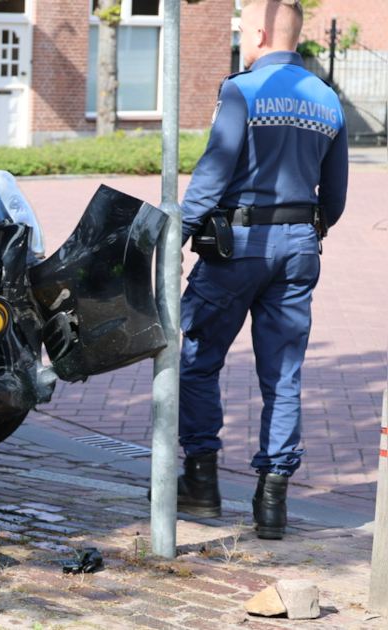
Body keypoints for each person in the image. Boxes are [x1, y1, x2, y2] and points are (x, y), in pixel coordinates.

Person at [175, 0, 347, 540]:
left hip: (237, 246)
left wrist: (177, 229)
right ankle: (272, 502)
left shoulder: (241, 89)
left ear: (260, 32)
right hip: (299, 248)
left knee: (200, 358)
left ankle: (201, 484)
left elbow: (214, 168)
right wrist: (306, 232)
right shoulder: (328, 99)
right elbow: (335, 195)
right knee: (284, 375)